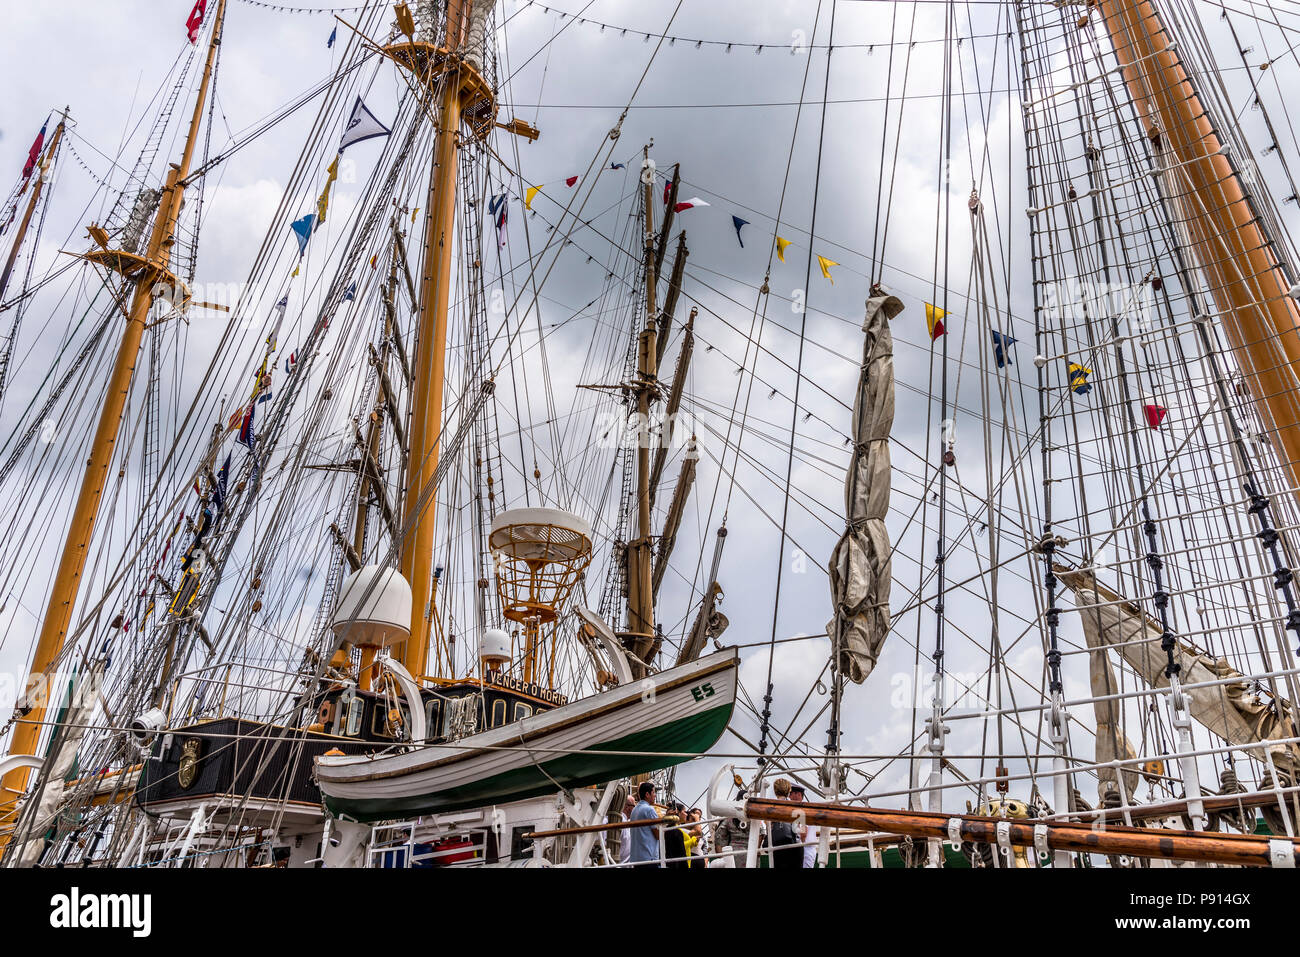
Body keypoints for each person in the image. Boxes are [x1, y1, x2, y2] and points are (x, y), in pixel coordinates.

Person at [768, 778, 802, 869]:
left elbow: (768, 826)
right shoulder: (795, 806)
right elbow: (798, 830)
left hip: (776, 846)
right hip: (794, 846)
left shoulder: (770, 807)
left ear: (775, 791)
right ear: (789, 791)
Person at [628, 781, 662, 867]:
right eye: (653, 792)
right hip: (648, 858)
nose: (655, 795)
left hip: (636, 859)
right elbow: (658, 835)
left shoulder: (634, 810)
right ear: (647, 794)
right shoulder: (649, 810)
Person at [789, 784, 817, 868]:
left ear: (799, 795)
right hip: (805, 849)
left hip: (804, 849)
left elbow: (803, 834)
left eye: (793, 794)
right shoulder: (803, 810)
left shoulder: (802, 811)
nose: (791, 796)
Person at [663, 801, 689, 869]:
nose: (686, 814)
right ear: (679, 813)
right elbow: (681, 854)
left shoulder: (668, 829)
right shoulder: (676, 831)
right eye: (684, 812)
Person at [617, 794, 636, 866]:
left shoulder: (626, 822)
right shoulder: (621, 822)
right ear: (627, 807)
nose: (635, 809)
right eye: (634, 806)